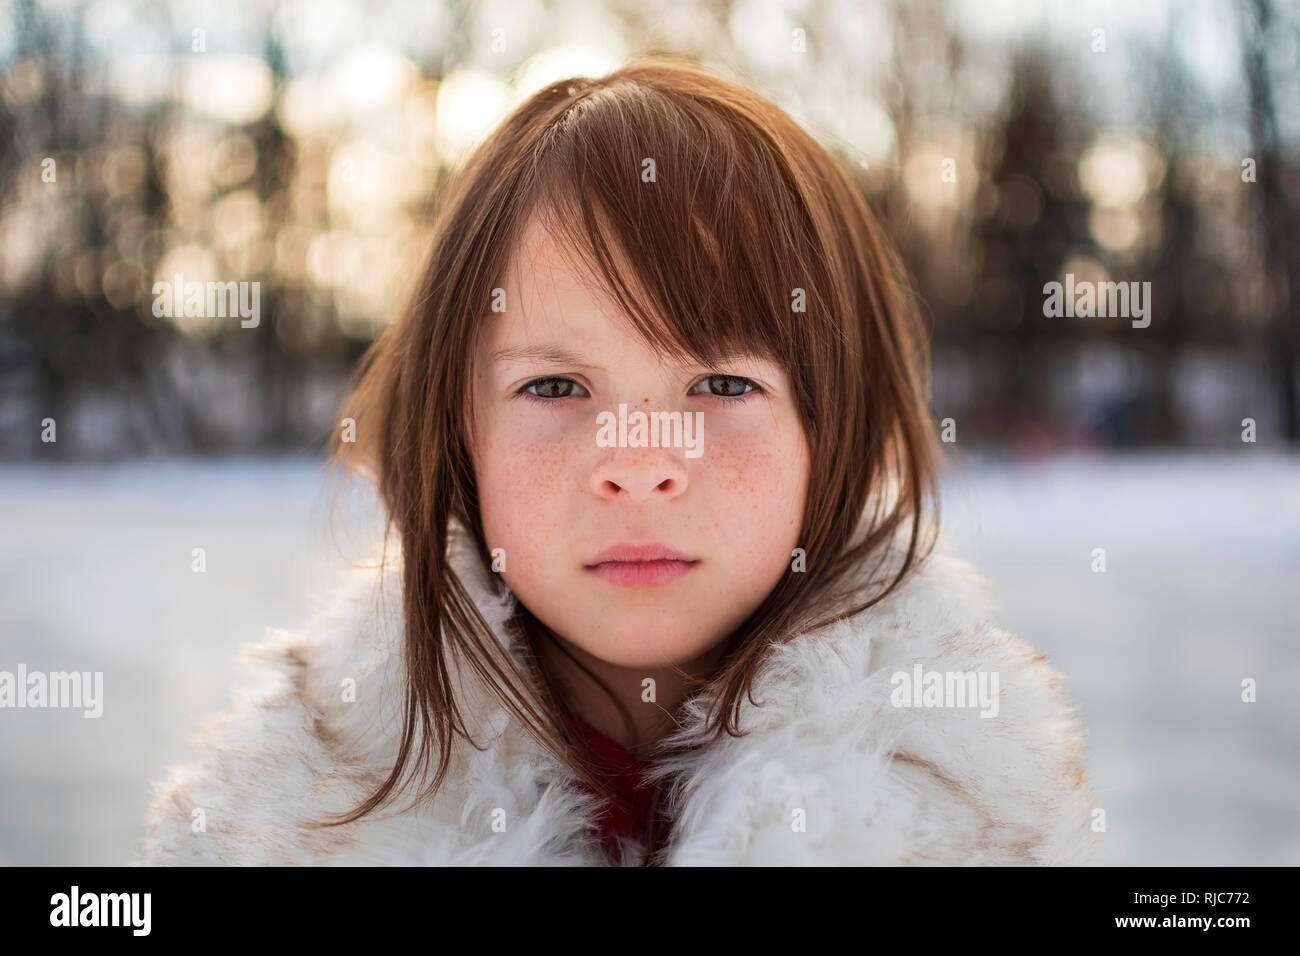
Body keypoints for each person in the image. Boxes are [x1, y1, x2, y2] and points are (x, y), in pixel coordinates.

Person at [135, 55, 1095, 866]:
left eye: (720, 386)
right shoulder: (280, 826)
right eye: (555, 388)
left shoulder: (990, 828)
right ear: (457, 432)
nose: (639, 464)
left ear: (830, 432)